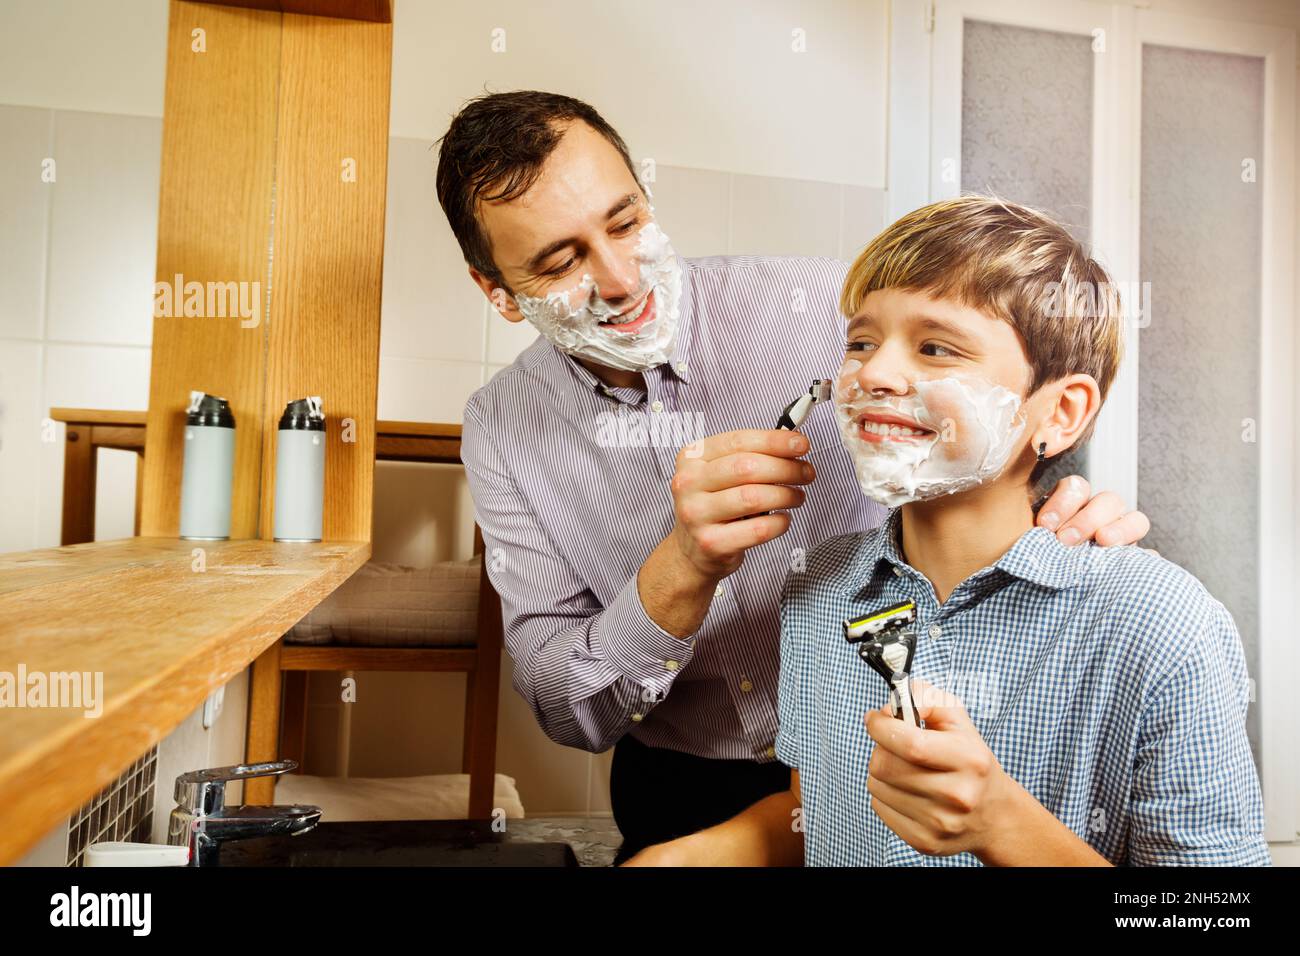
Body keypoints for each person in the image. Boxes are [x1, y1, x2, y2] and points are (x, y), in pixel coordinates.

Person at [437, 91, 1153, 864]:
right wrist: (683, 567)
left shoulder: (829, 308)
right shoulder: (504, 425)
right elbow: (567, 711)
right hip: (696, 790)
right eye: (562, 259)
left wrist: (1060, 503)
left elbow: (1003, 430)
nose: (618, 279)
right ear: (497, 292)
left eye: (625, 222)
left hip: (916, 760)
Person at [622, 196, 1268, 866]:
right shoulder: (816, 588)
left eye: (936, 347)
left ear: (1062, 413)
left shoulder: (1165, 625)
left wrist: (1004, 827)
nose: (872, 373)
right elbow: (819, 809)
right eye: (861, 342)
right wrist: (683, 857)